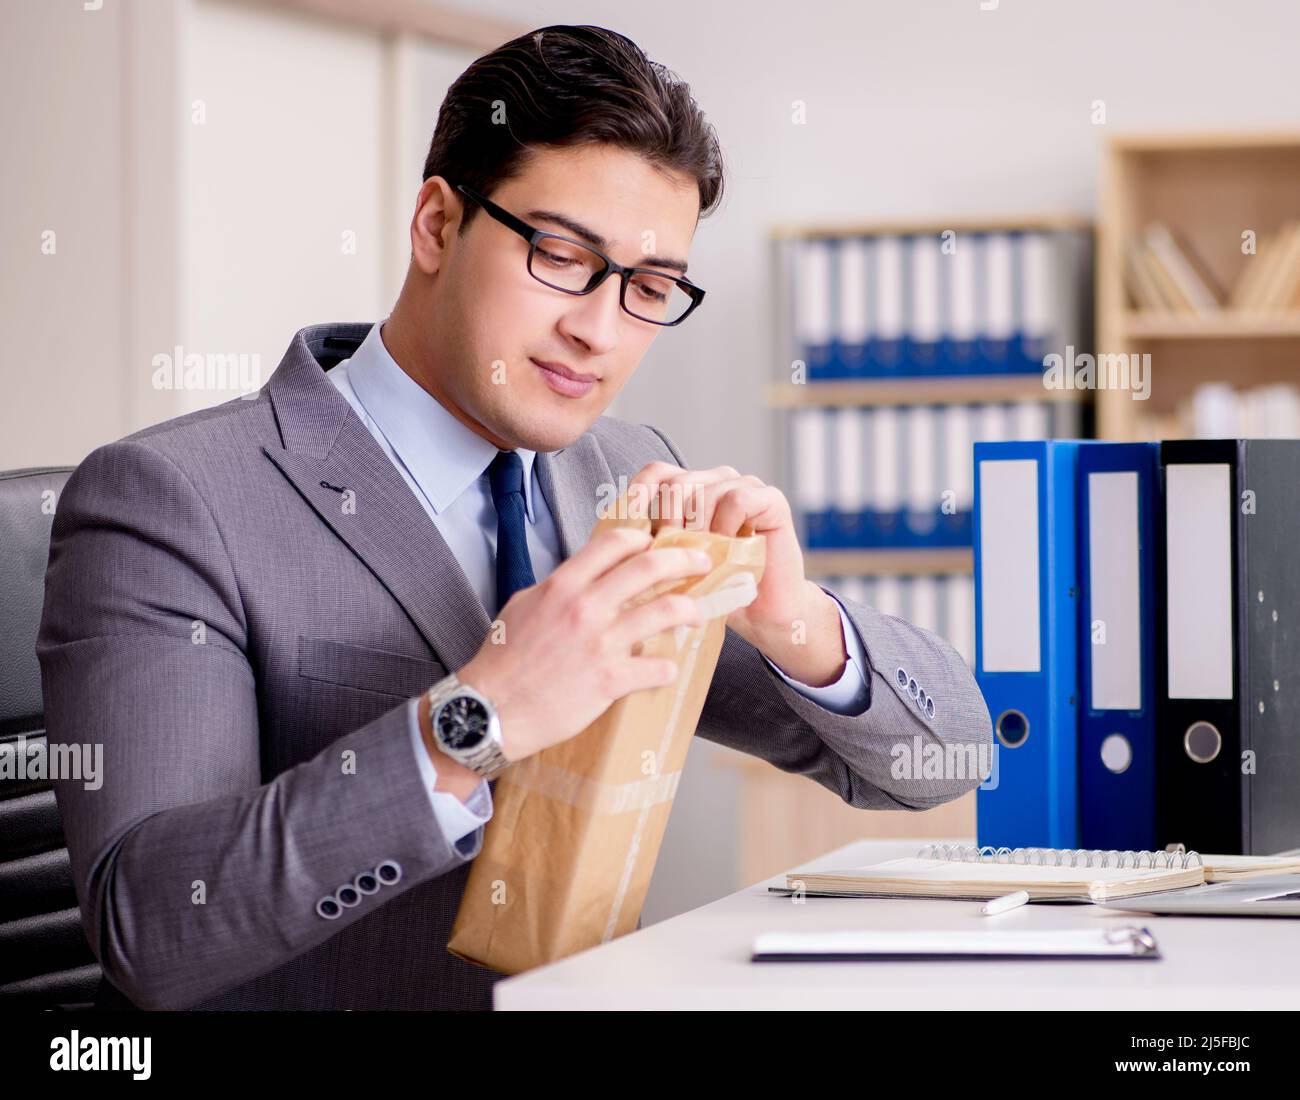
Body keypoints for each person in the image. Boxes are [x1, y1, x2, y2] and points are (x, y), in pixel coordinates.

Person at [37, 24, 991, 1012]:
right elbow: (152, 925)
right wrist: (474, 720)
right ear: (437, 226)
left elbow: (949, 758)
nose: (600, 328)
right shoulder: (174, 499)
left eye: (650, 287)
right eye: (562, 255)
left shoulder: (629, 476)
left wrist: (799, 625)